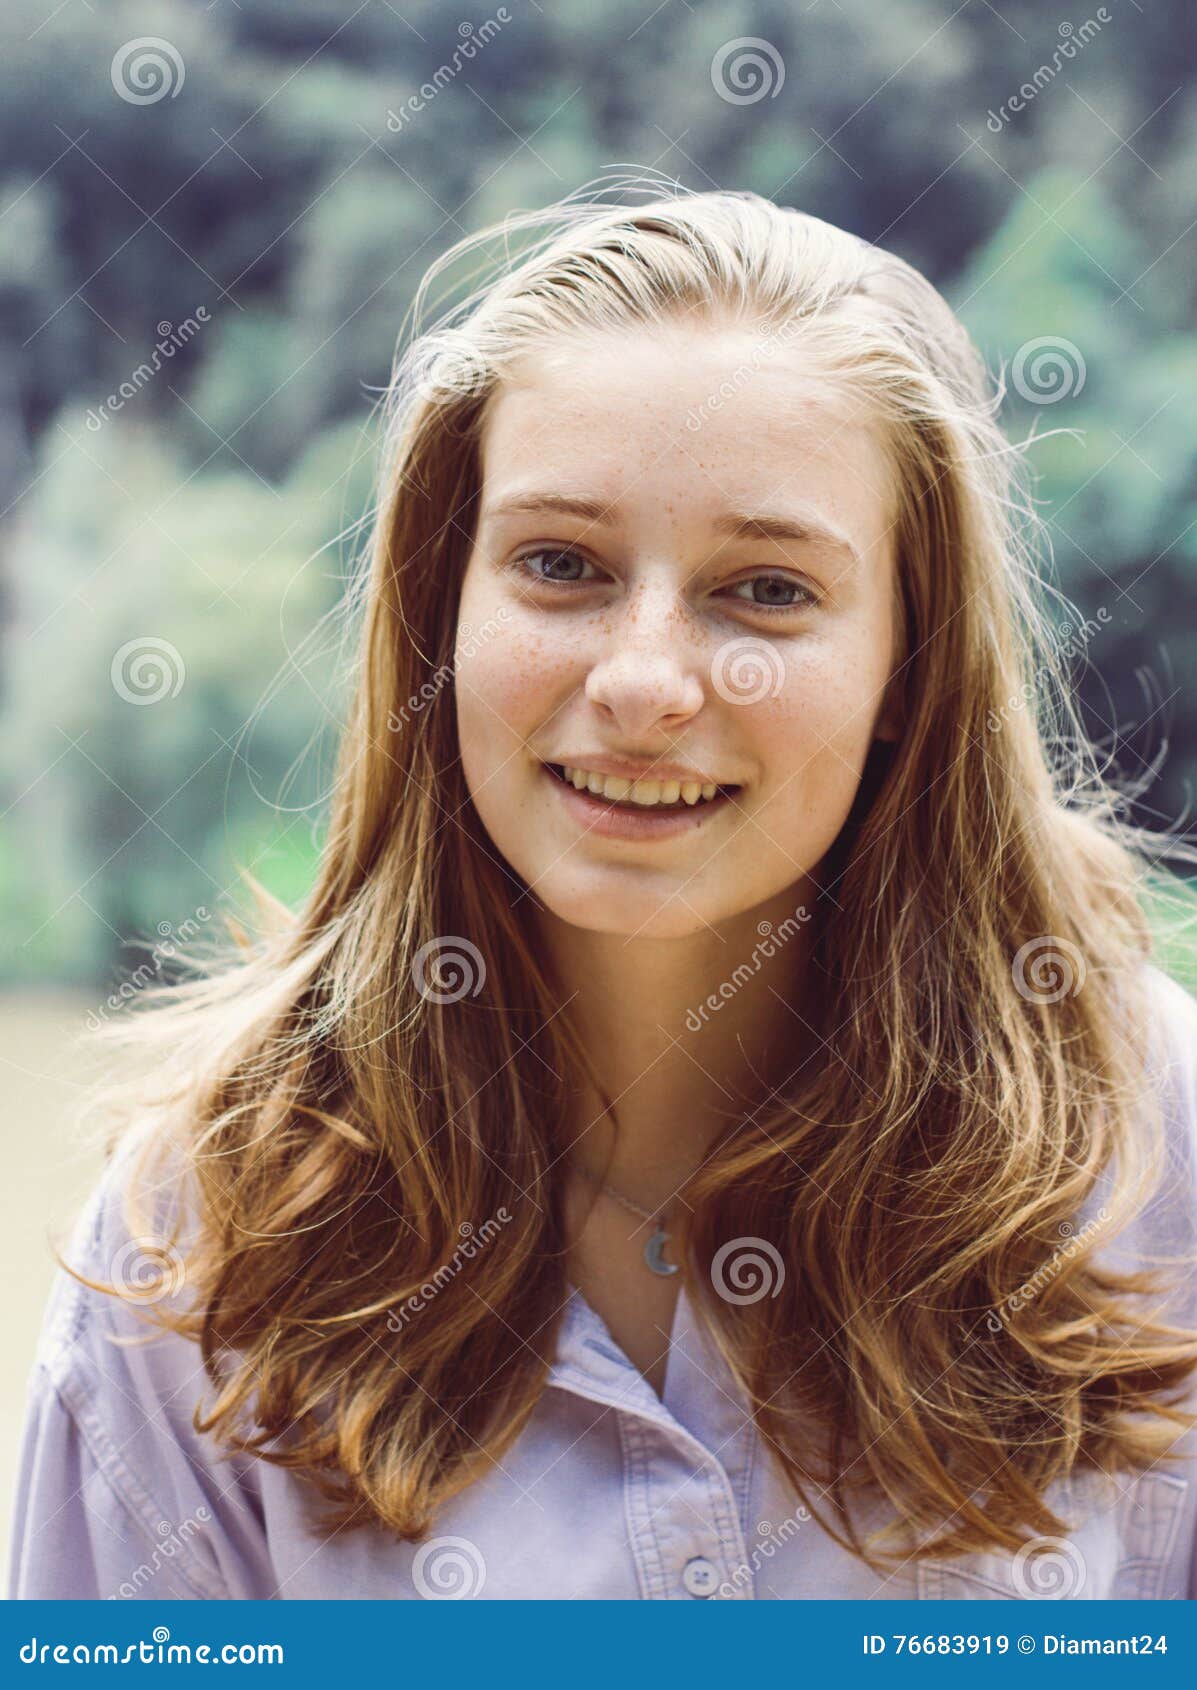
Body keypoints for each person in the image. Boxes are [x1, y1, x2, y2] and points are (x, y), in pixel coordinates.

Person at [10, 180, 1197, 1602]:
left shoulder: (1153, 1155)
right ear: (440, 605)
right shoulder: (196, 1246)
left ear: (909, 663)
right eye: (559, 565)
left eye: (763, 589)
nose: (641, 682)